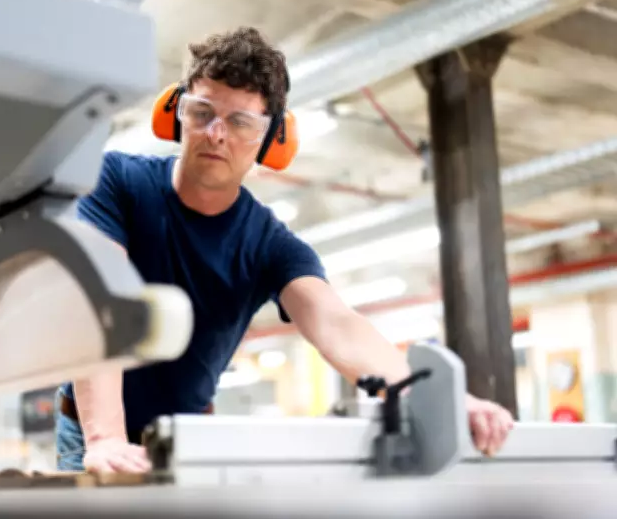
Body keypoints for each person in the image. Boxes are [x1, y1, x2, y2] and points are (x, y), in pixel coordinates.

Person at [55, 26, 514, 474]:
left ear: (271, 138)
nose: (217, 134)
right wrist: (106, 439)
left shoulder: (269, 244)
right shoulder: (114, 180)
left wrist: (443, 399)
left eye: (240, 122)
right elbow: (99, 301)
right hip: (92, 427)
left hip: (186, 435)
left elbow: (337, 324)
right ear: (175, 112)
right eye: (202, 113)